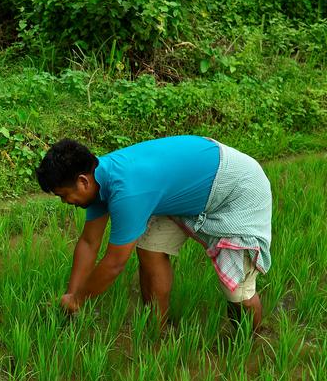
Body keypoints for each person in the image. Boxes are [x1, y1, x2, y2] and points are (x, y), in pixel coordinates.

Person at [35, 135, 272, 330]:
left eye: (64, 195)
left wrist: (78, 300)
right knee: (150, 248)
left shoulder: (127, 192)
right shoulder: (98, 180)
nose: (66, 201)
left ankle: (251, 342)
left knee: (238, 292)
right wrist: (71, 295)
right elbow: (89, 242)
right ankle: (157, 329)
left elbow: (115, 263)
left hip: (237, 187)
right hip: (191, 183)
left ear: (83, 181)